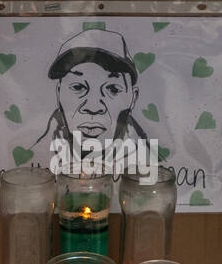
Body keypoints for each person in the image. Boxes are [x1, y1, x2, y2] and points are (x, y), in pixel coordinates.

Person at [31, 28, 148, 163]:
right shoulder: (33, 155)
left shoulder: (153, 166)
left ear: (133, 98)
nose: (93, 107)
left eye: (113, 89)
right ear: (58, 93)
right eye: (78, 87)